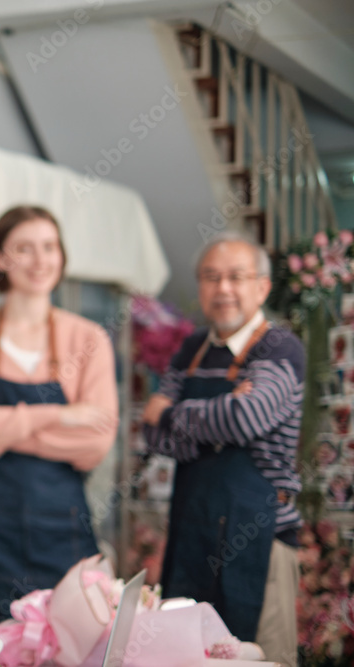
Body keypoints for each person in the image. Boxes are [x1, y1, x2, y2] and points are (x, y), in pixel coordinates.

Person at [0, 205, 119, 622]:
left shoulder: (88, 339)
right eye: (24, 248)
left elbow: (94, 444)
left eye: (49, 247)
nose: (41, 261)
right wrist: (58, 417)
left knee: (71, 644)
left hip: (64, 528)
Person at [141, 232, 303, 667]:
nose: (223, 288)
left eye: (236, 276)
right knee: (186, 656)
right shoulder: (192, 349)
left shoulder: (280, 347)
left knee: (261, 659)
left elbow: (247, 417)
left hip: (262, 539)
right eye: (211, 277)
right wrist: (222, 411)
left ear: (262, 287)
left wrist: (174, 413)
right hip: (191, 534)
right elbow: (152, 435)